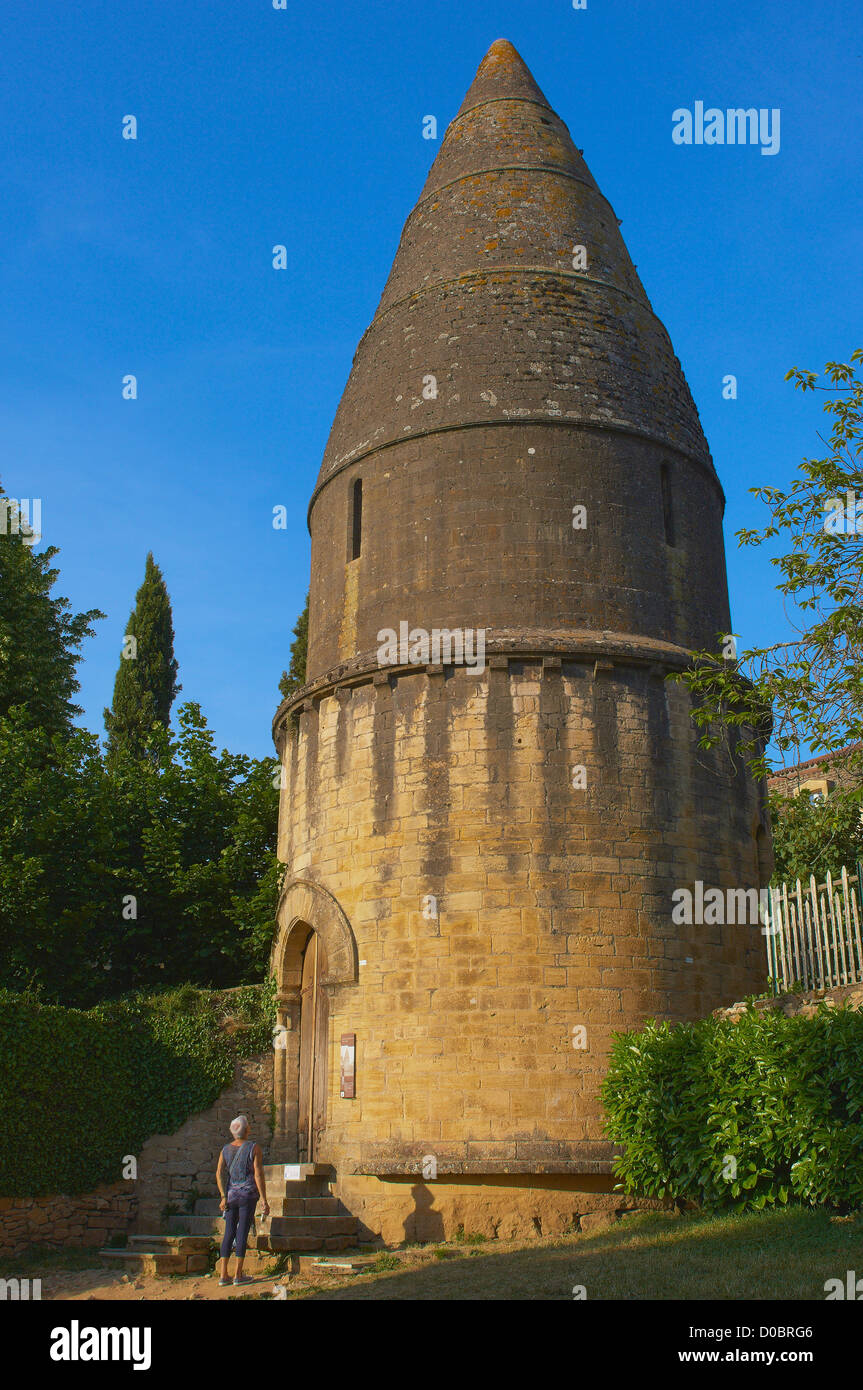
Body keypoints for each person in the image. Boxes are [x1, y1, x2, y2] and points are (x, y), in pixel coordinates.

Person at [216, 1114, 269, 1286]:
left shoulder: (225, 1150)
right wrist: (264, 1198)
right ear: (247, 1130)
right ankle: (238, 1274)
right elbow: (258, 1173)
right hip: (247, 1195)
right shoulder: (254, 1148)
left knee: (229, 1232)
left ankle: (223, 1275)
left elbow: (218, 1173)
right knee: (242, 1232)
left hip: (231, 1196)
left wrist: (223, 1195)